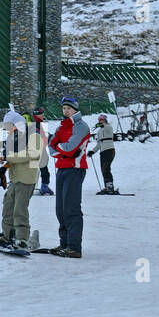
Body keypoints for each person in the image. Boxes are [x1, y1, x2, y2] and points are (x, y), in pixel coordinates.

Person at [47, 96, 91, 257]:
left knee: (71, 208)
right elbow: (51, 148)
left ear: (75, 110)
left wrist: (60, 149)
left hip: (75, 169)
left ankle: (74, 247)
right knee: (60, 209)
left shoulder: (81, 126)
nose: (66, 111)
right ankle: (64, 243)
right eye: (64, 108)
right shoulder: (61, 127)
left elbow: (70, 148)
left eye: (69, 108)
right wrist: (61, 149)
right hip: (62, 169)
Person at [0, 110, 38, 248]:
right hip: (14, 179)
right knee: (7, 208)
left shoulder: (33, 136)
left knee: (19, 209)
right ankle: (7, 235)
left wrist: (9, 158)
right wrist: (3, 165)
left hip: (26, 178)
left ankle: (22, 238)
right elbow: (9, 155)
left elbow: (29, 154)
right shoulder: (11, 137)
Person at [89, 114, 118, 194]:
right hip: (103, 151)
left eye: (102, 119)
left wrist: (103, 124)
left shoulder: (108, 127)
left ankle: (110, 186)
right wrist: (93, 151)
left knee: (106, 168)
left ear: (105, 120)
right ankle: (107, 186)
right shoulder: (99, 131)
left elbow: (108, 127)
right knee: (103, 169)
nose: (101, 121)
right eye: (100, 120)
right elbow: (99, 144)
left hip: (109, 150)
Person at [31, 106, 52, 195]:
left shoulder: (38, 122)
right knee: (43, 169)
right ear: (38, 115)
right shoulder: (36, 123)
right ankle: (44, 187)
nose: (43, 115)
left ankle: (43, 186)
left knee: (41, 169)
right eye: (42, 113)